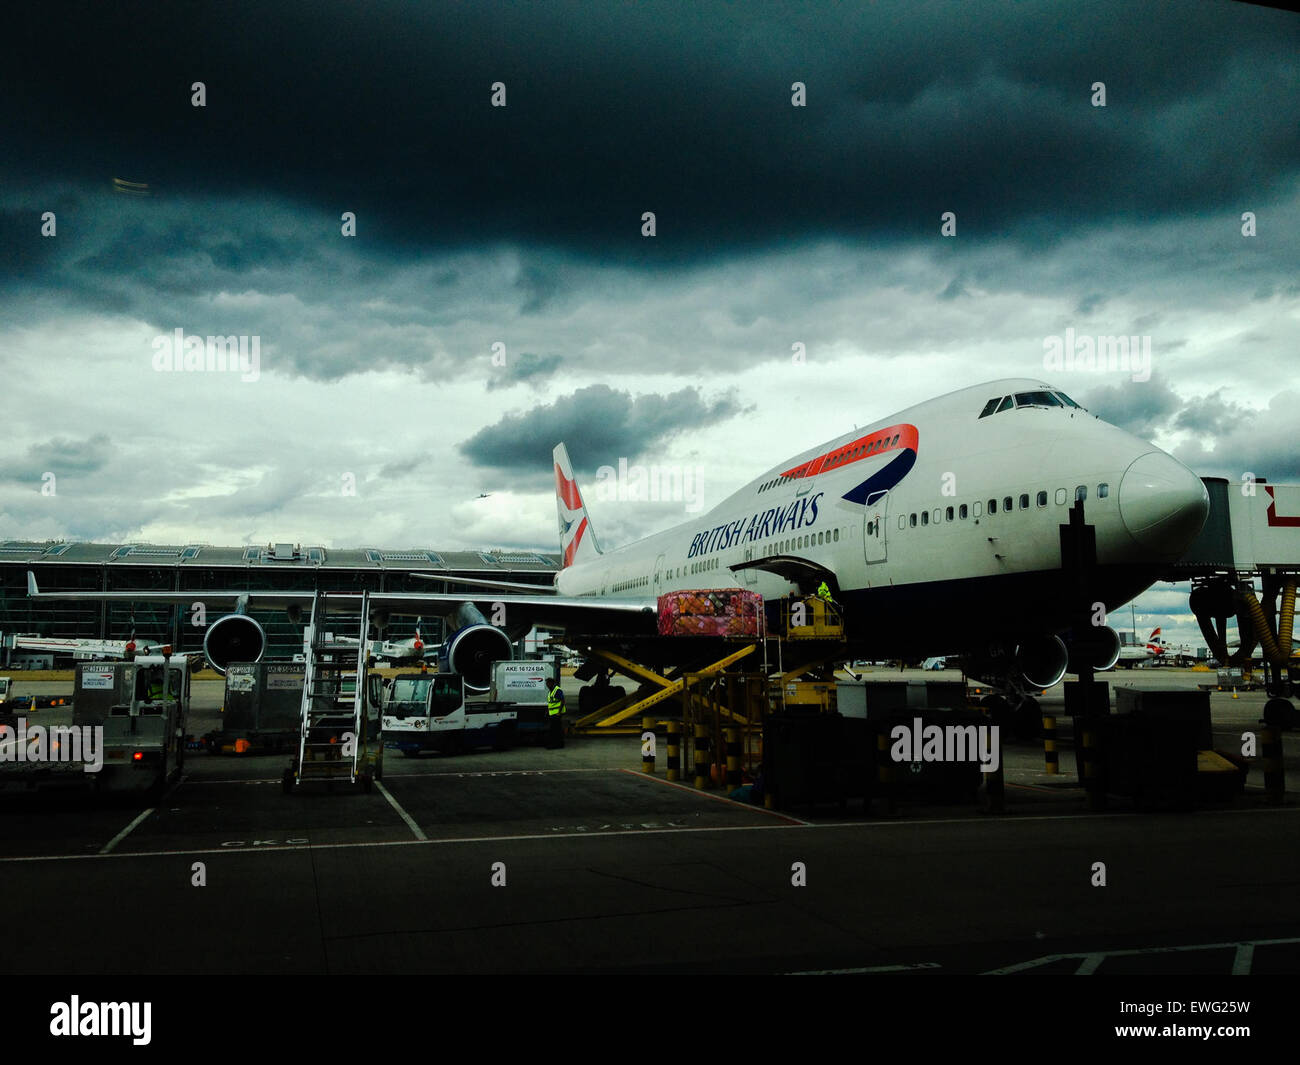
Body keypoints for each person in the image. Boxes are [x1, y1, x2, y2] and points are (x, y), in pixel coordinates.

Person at [546, 674, 566, 749]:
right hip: (553, 713)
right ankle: (560, 744)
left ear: (552, 683)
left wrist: (559, 712)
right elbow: (551, 703)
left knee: (555, 730)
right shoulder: (551, 691)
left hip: (557, 714)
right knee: (556, 729)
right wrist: (548, 711)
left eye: (548, 683)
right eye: (546, 683)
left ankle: (555, 744)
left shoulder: (557, 690)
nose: (547, 685)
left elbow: (563, 701)